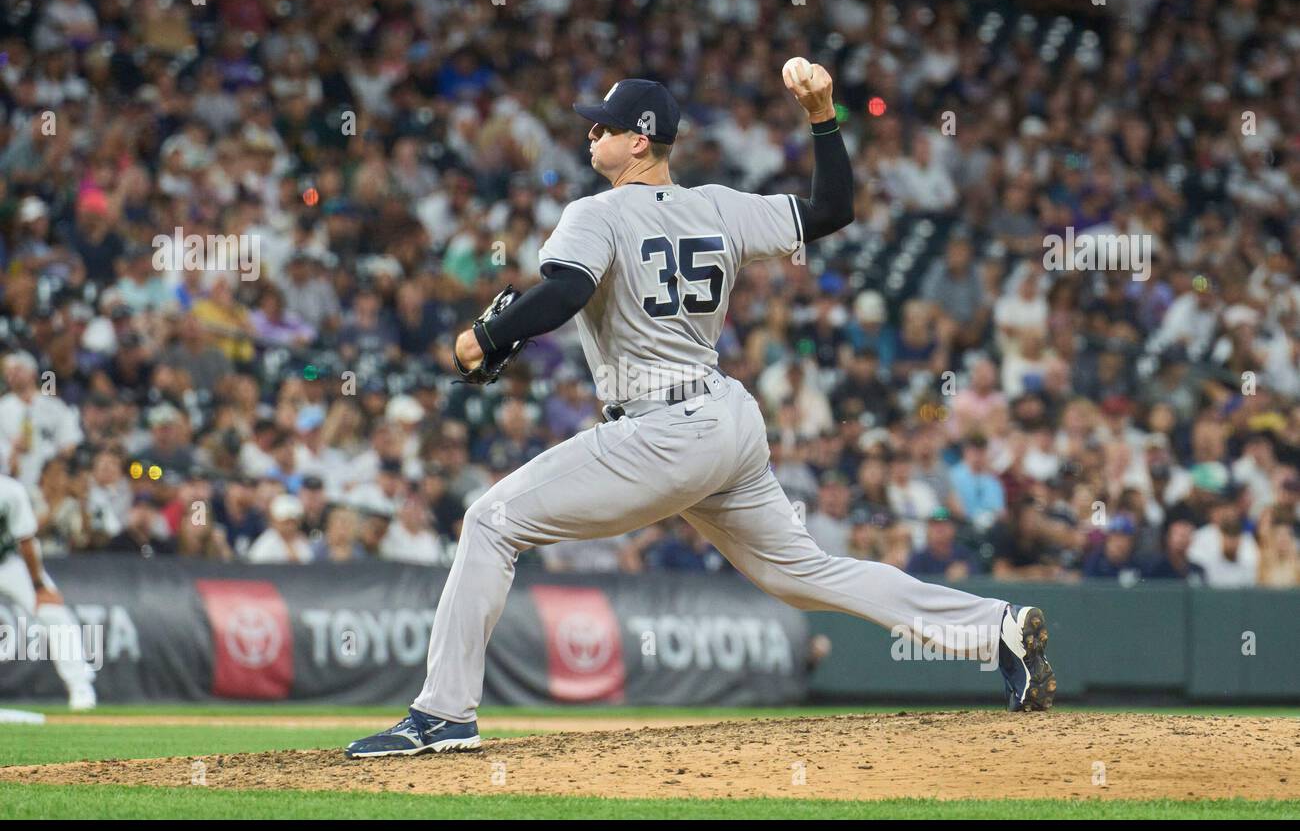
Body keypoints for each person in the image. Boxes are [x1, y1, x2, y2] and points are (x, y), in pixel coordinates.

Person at [346, 67, 1055, 759]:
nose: (592, 133)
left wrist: (486, 336)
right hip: (726, 420)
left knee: (490, 523)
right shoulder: (720, 205)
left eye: (607, 126)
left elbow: (563, 294)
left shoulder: (594, 214)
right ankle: (993, 627)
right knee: (801, 574)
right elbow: (833, 209)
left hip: (661, 430)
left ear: (643, 143)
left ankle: (443, 715)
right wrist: (823, 118)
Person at [0, 473, 97, 709]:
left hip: (8, 562)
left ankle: (80, 686)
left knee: (52, 611)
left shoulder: (9, 490)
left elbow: (26, 540)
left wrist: (39, 585)